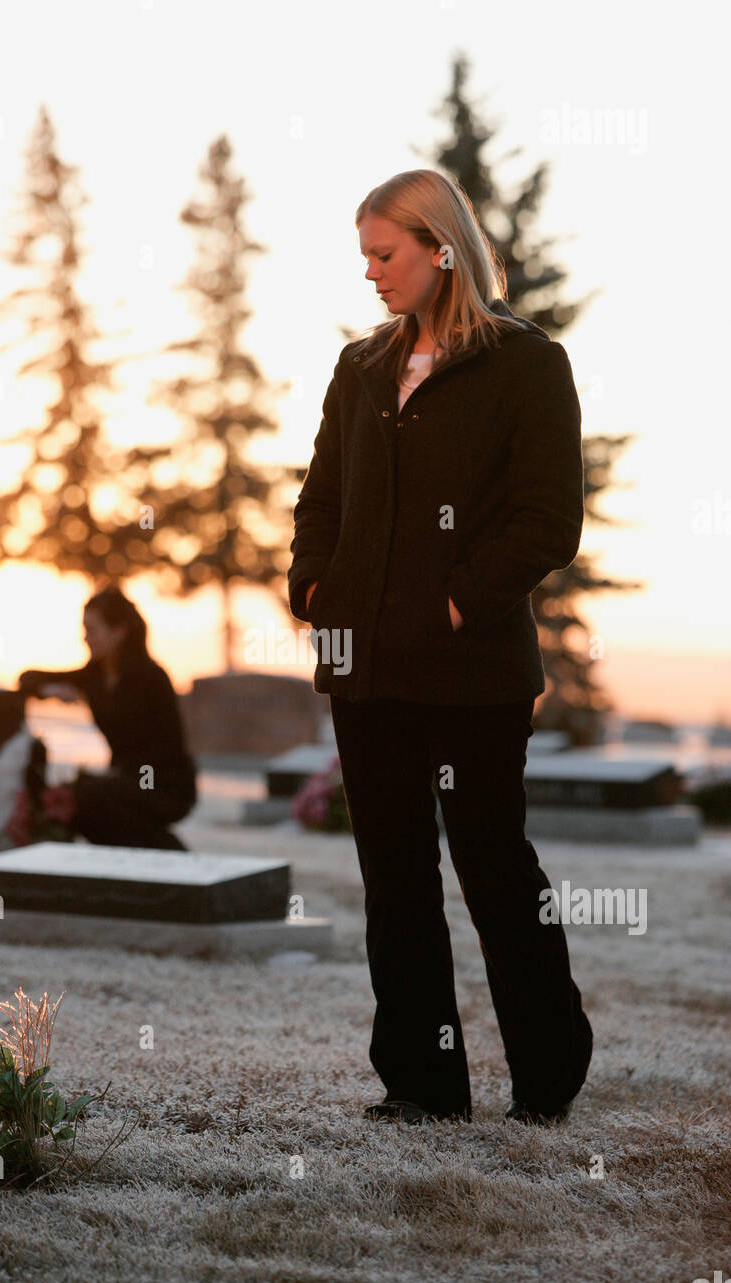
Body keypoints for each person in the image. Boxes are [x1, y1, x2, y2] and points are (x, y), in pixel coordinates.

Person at [288, 168, 593, 1128]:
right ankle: (421, 1087)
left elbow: (549, 520)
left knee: (493, 867)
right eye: (366, 257)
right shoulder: (360, 367)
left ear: (442, 248)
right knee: (395, 876)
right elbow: (320, 501)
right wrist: (309, 589)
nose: (372, 273)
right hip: (365, 671)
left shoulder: (526, 363)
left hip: (471, 679)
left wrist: (460, 604)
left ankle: (548, 1073)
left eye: (386, 254)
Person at [17, 585, 197, 850]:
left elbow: (164, 750)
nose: (85, 638)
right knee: (72, 802)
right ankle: (129, 866)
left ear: (119, 631)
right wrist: (49, 690)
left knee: (87, 797)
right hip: (124, 781)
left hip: (164, 784)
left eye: (92, 630)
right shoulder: (94, 676)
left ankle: (173, 856)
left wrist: (110, 782)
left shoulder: (151, 678)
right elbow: (28, 678)